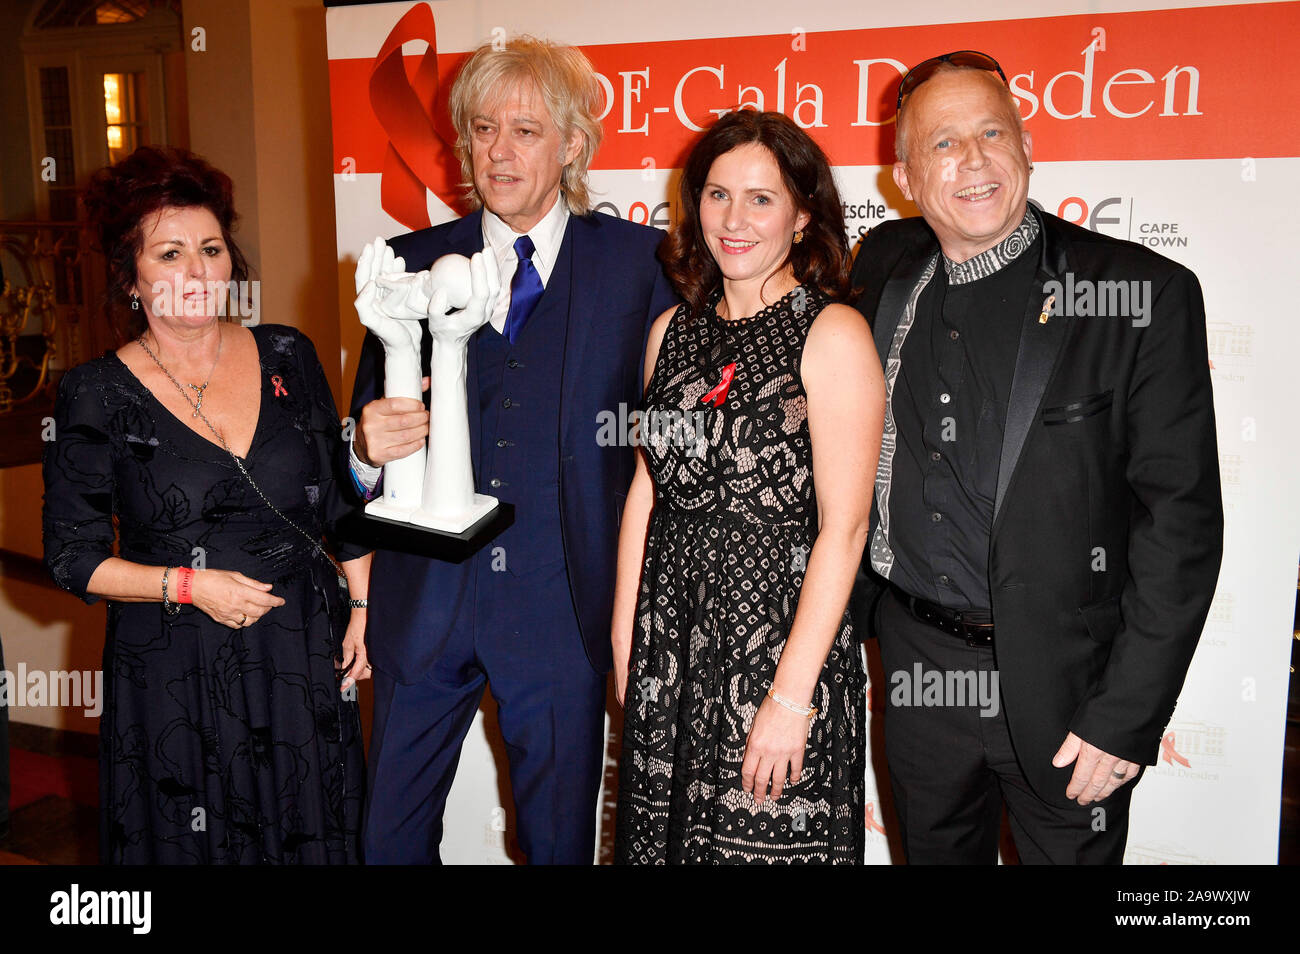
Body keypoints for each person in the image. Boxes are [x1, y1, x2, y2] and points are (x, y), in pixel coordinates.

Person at [848, 52, 1223, 863]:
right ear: (906, 177)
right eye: (943, 144)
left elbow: (1180, 525)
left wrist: (1126, 715)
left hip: (1071, 692)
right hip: (917, 673)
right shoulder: (882, 269)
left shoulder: (1140, 295)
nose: (974, 159)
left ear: (1025, 147)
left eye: (992, 132)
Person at [347, 35, 677, 864]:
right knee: (386, 840)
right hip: (421, 606)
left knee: (560, 845)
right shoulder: (410, 263)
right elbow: (360, 446)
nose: (500, 151)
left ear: (572, 144)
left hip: (563, 609)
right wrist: (361, 450)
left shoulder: (641, 264)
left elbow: (675, 450)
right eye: (484, 129)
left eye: (526, 131)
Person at [42, 146, 370, 864]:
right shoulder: (96, 392)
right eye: (169, 253)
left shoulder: (289, 354)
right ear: (131, 280)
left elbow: (340, 504)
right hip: (175, 668)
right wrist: (190, 586)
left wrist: (364, 612)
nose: (196, 271)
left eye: (211, 248)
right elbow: (72, 557)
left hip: (299, 652)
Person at [614, 109, 885, 864]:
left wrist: (790, 698)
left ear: (803, 215)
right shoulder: (672, 330)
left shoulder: (831, 333)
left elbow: (846, 528)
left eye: (761, 199)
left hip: (777, 652)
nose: (734, 219)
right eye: (717, 194)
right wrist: (624, 641)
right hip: (671, 647)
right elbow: (647, 491)